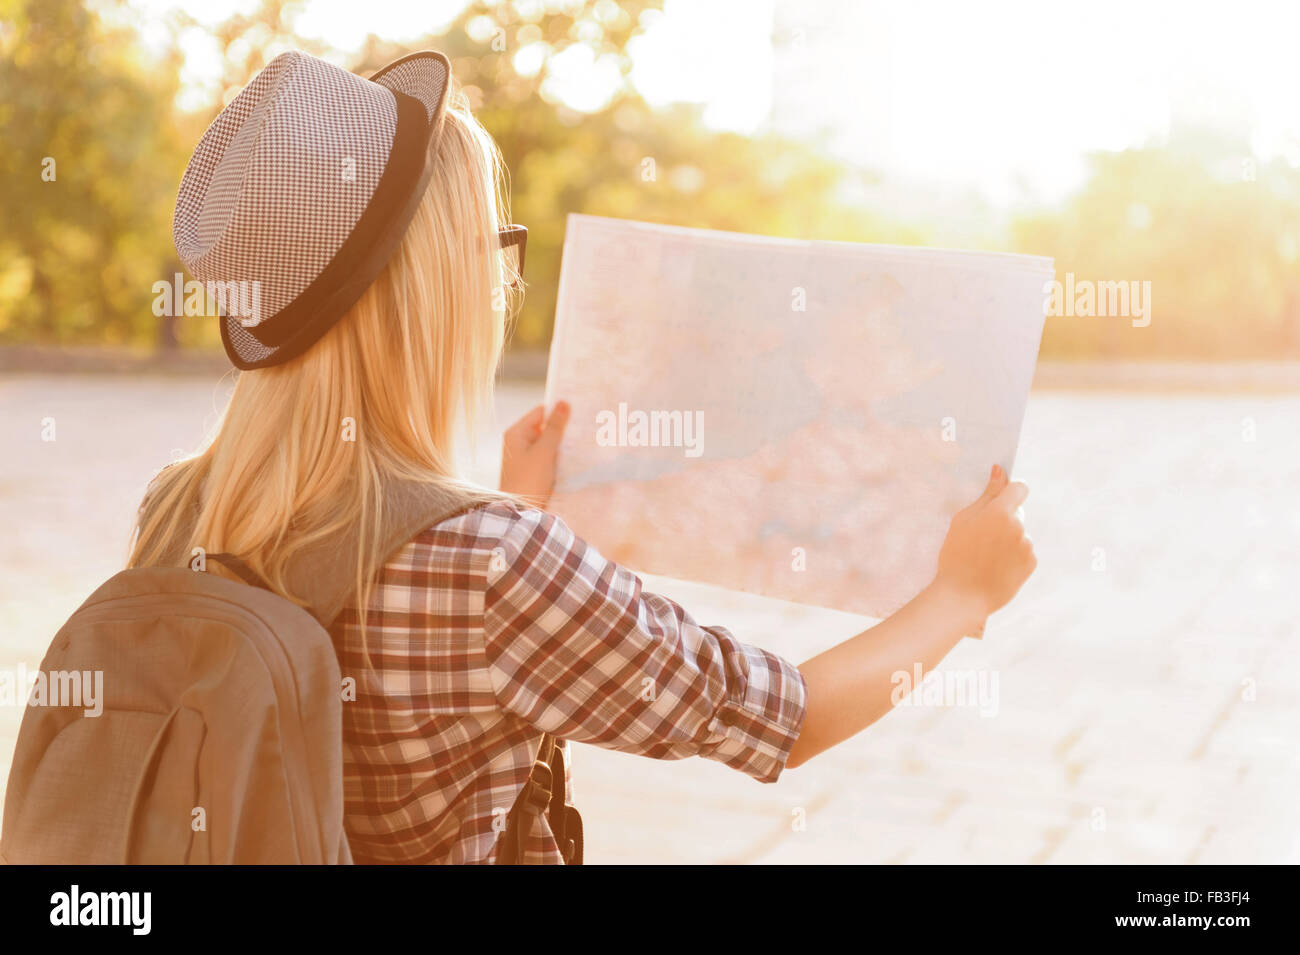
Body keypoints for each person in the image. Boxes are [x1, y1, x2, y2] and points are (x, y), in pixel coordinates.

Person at [129, 50, 1035, 864]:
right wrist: (960, 596)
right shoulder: (495, 564)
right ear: (439, 281)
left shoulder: (176, 508)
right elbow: (781, 717)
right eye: (494, 251)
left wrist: (521, 508)